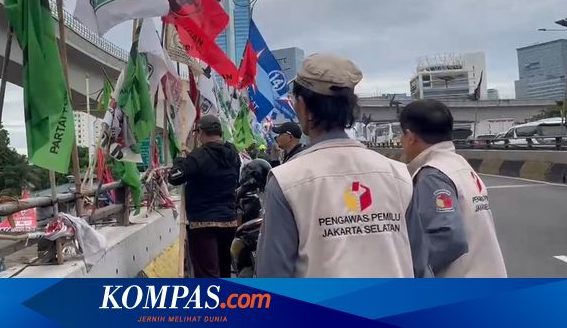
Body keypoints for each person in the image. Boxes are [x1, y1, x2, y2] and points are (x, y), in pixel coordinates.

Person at [256, 53, 418, 278]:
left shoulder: (286, 181)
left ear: (302, 106)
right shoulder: (398, 174)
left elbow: (274, 276)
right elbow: (420, 264)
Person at [400, 99, 507, 277]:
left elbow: (447, 237)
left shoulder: (432, 175)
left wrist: (408, 267)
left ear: (410, 137)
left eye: (401, 135)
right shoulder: (460, 166)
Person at [168, 114, 241, 278]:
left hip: (203, 225)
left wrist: (180, 160)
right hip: (229, 221)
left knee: (207, 274)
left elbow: (174, 178)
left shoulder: (199, 156)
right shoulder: (233, 153)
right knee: (223, 271)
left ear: (200, 132)